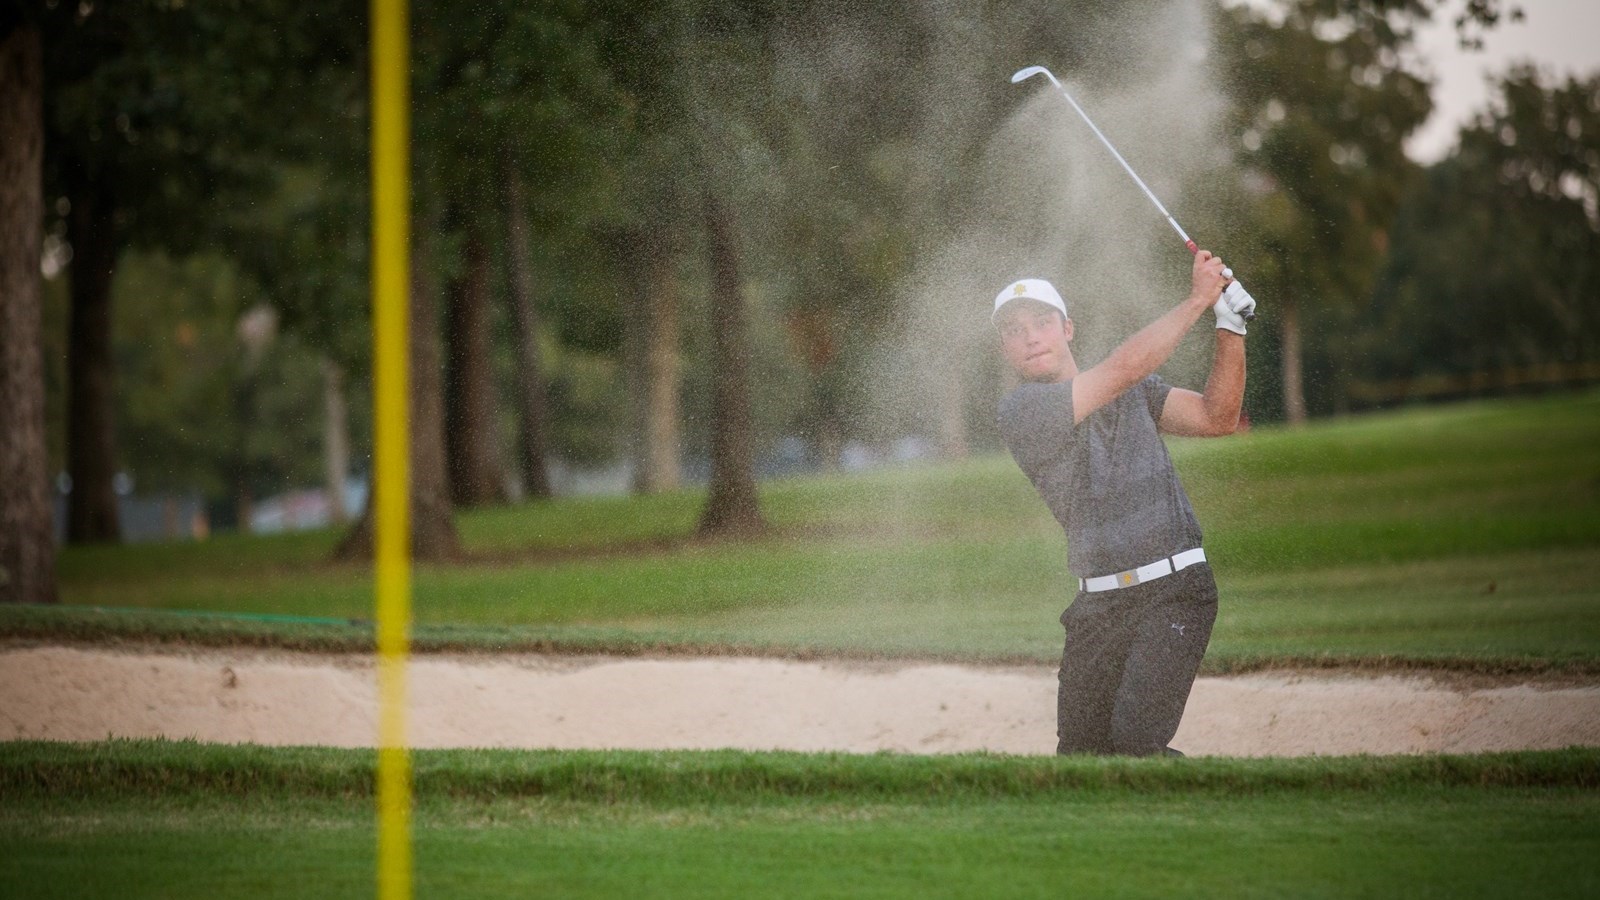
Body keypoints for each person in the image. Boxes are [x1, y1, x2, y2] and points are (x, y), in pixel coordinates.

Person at [992, 250, 1253, 756]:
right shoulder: (1021, 412)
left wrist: (1231, 329)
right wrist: (1199, 298)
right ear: (1004, 348)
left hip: (1175, 590)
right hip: (1099, 606)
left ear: (1068, 329)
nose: (1030, 337)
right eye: (1014, 330)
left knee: (1136, 741)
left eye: (1041, 322)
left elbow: (1215, 418)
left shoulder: (1135, 391)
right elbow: (1122, 369)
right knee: (1081, 760)